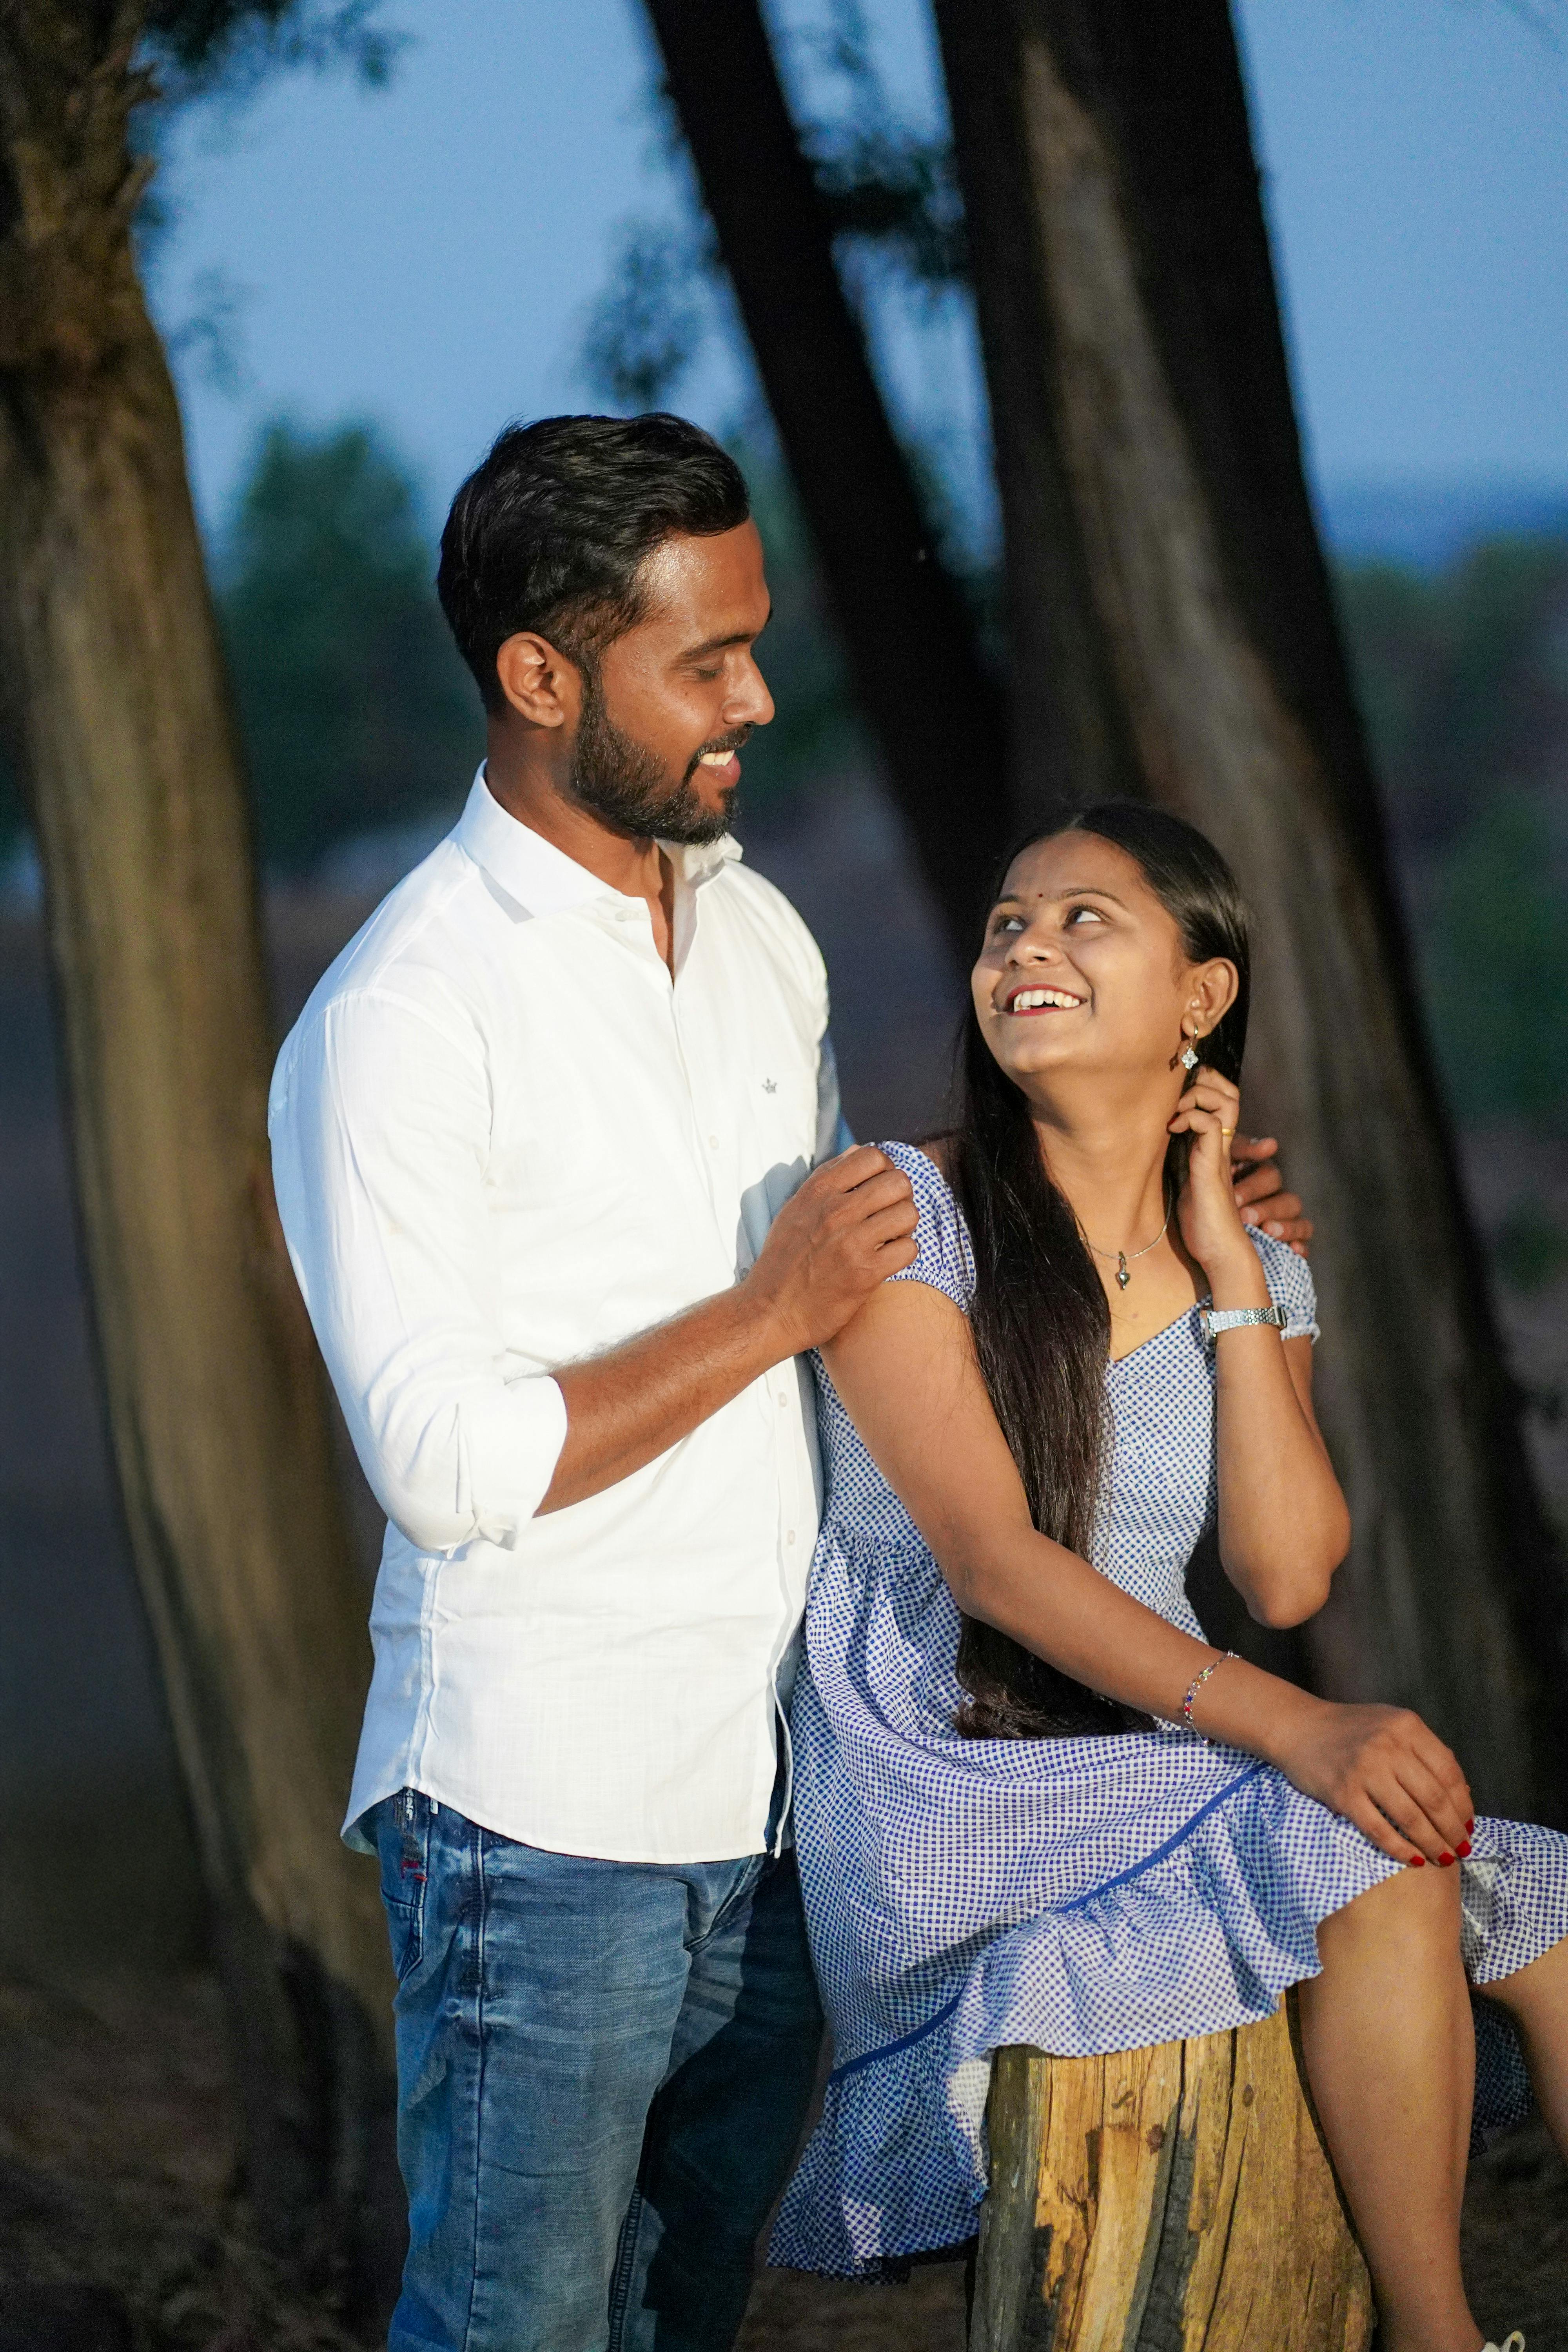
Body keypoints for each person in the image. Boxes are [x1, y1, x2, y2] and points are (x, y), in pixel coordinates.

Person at [268, 412, 1308, 2352]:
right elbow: (441, 1457)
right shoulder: (407, 1013)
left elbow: (895, 1287)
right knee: (512, 2330)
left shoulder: (755, 933)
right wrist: (764, 1311)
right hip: (541, 1819)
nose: (754, 695)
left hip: (783, 1799)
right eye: (705, 660)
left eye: (754, 641)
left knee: (680, 2326)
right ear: (541, 675)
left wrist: (1160, 1218)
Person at [770, 803, 1568, 2352]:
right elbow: (992, 1566)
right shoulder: (902, 1215)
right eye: (1008, 923)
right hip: (949, 1765)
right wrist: (1301, 1730)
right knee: (1377, 1839)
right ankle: (1440, 2336)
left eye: (1086, 921)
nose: (1028, 950)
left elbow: (1283, 1570)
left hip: (1155, 1748)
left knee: (1527, 1900)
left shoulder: (1255, 1260)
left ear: (1200, 999)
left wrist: (1228, 1280)